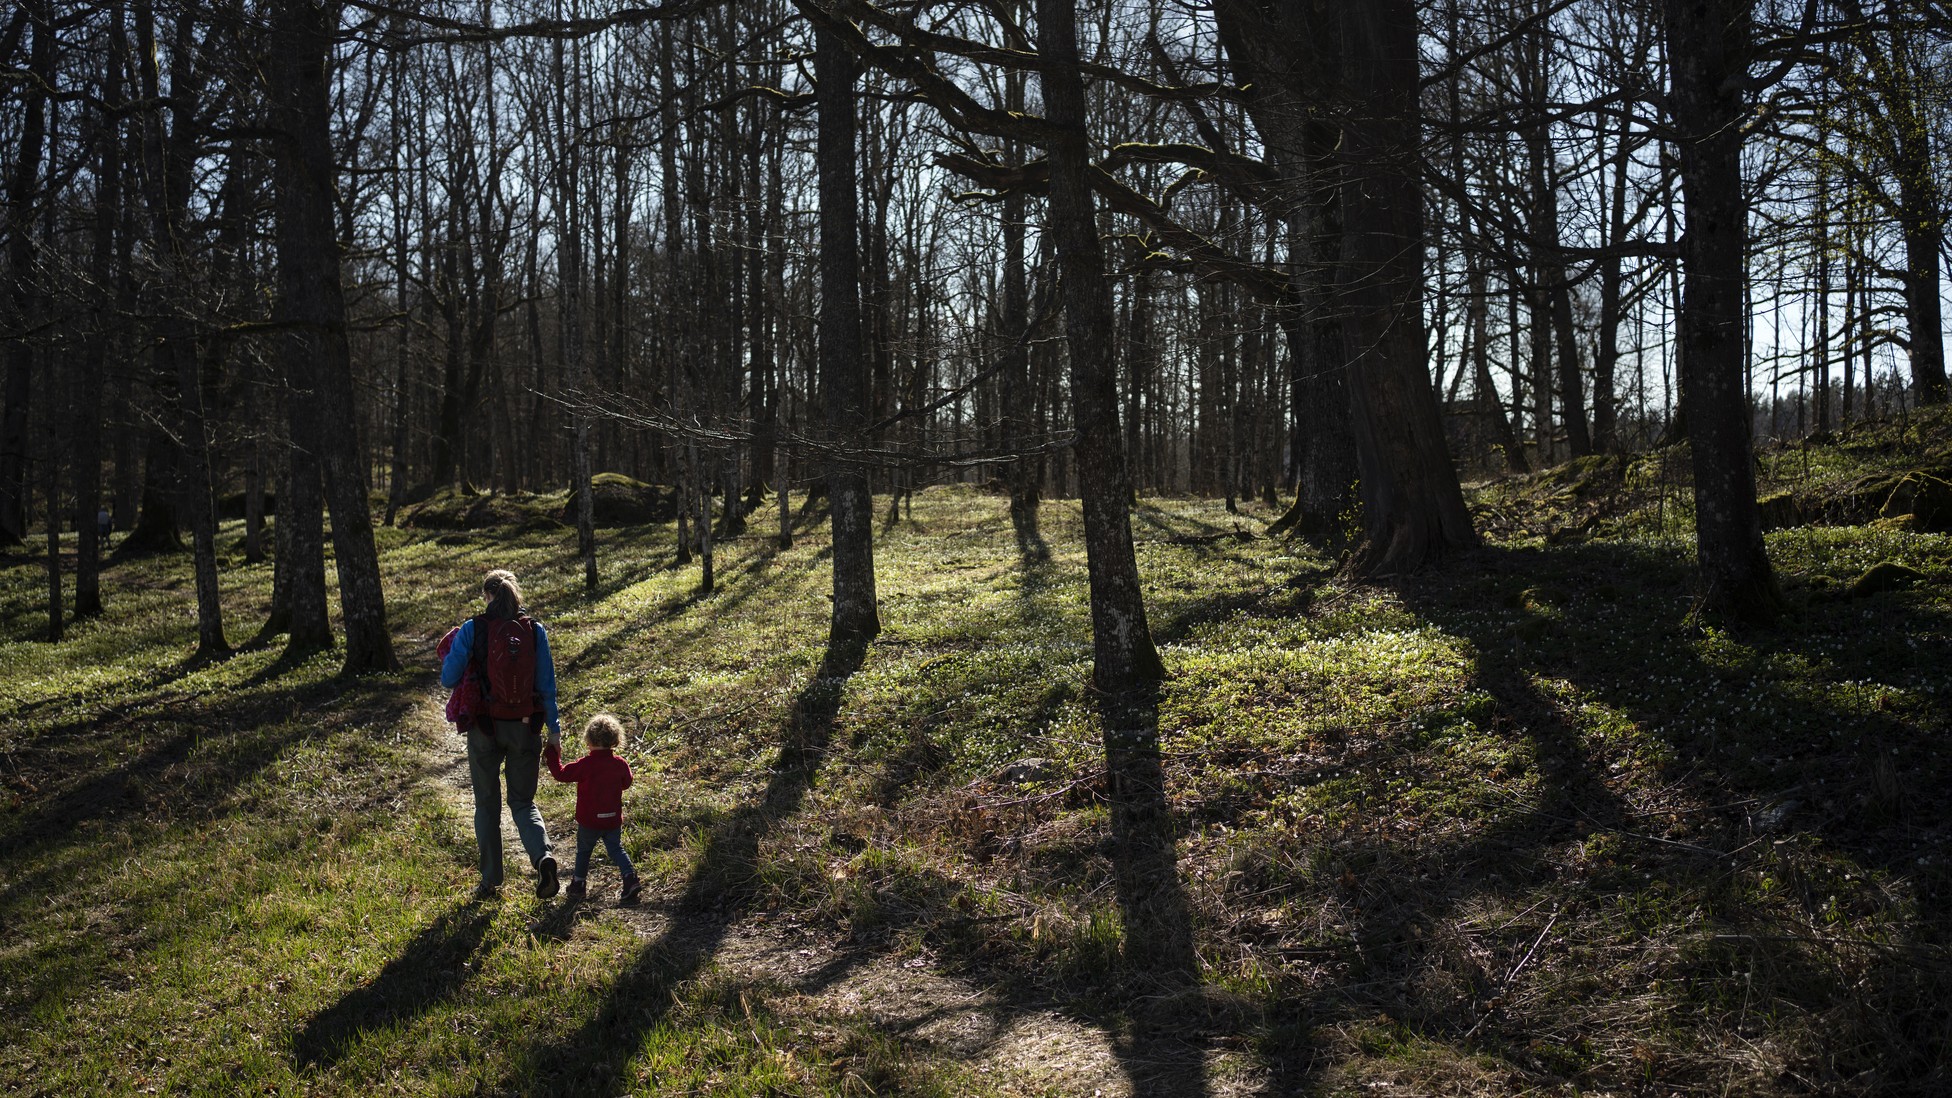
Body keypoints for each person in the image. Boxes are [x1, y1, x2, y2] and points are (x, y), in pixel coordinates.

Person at [440, 569, 562, 899]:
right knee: (523, 802)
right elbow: (547, 686)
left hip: (484, 729)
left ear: (487, 596)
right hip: (524, 727)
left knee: (487, 805)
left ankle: (491, 881)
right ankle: (543, 857)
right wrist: (554, 731)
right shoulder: (534, 630)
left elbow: (448, 679)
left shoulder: (473, 628)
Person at [544, 713, 642, 903]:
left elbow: (561, 774)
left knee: (584, 851)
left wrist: (551, 755)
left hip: (589, 821)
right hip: (612, 819)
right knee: (615, 849)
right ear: (615, 740)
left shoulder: (585, 765)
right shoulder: (620, 764)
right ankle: (630, 878)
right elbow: (627, 782)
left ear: (588, 739)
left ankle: (578, 885)